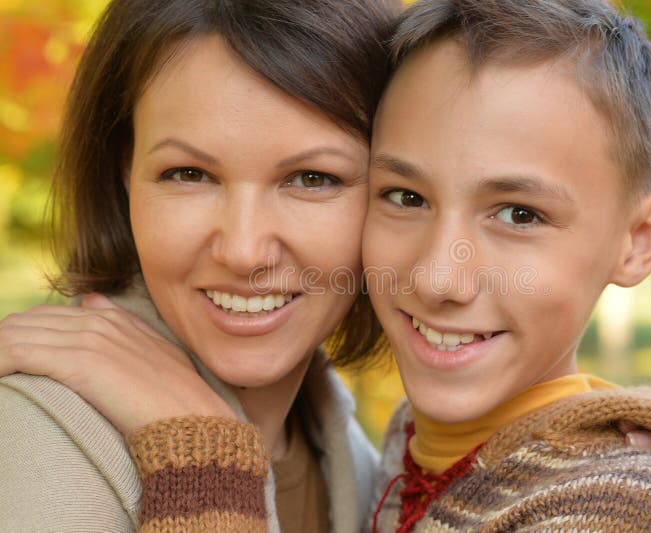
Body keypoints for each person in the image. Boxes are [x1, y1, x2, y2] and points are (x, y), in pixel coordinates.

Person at [0, 0, 398, 531]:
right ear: (125, 170)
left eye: (311, 178)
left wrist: (200, 451)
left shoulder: (353, 454)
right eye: (188, 173)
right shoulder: (39, 444)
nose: (244, 250)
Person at [363, 0, 651, 530]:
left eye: (519, 214)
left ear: (638, 240)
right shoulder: (411, 439)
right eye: (405, 197)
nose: (437, 277)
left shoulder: (621, 510)